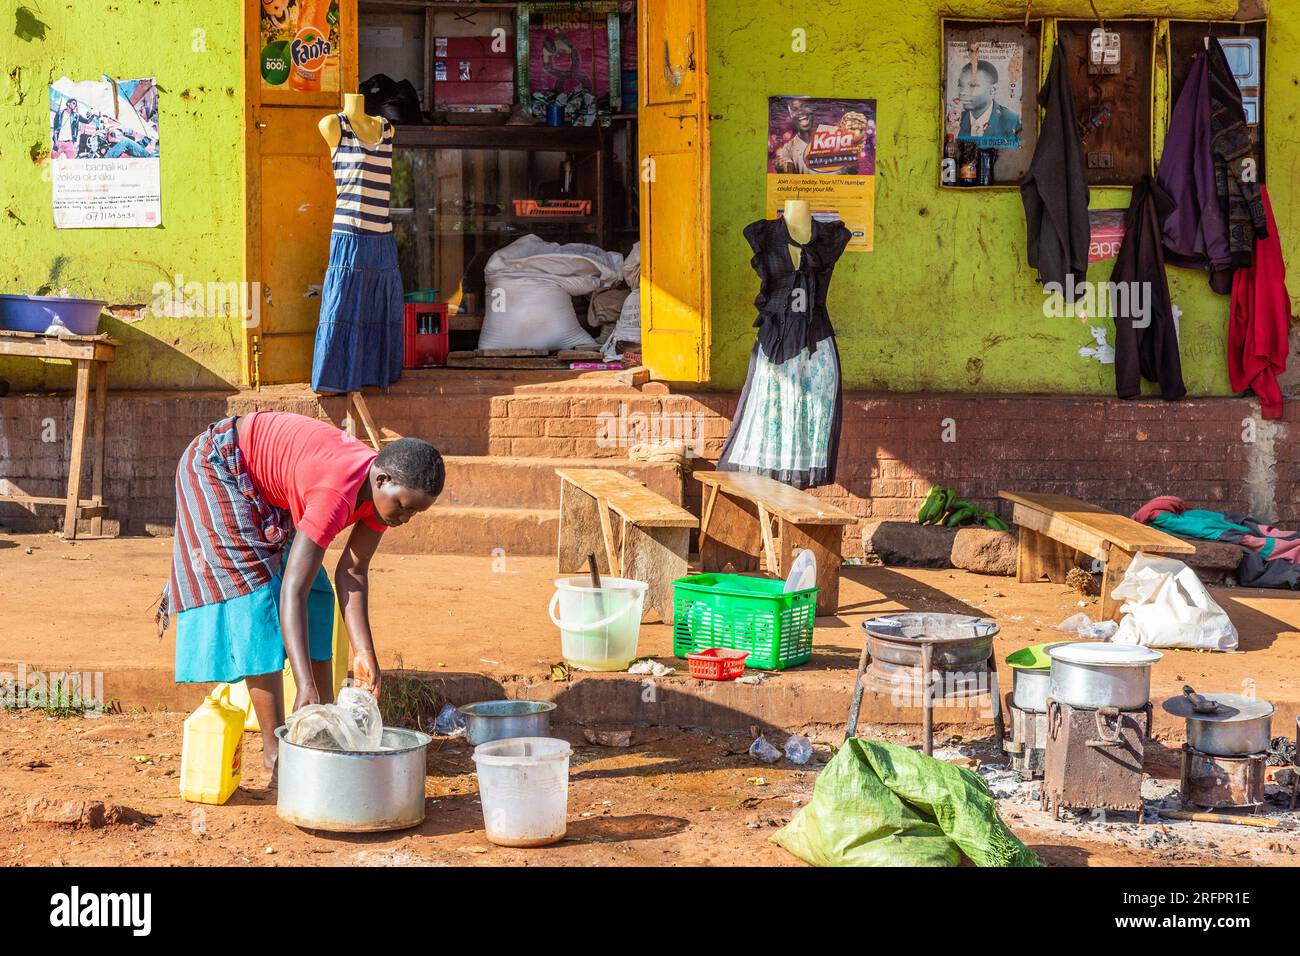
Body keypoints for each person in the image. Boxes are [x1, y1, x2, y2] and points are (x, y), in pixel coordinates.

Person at [158, 411, 444, 780]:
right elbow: (292, 590)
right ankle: (276, 753)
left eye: (415, 513)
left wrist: (363, 652)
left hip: (266, 482)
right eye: (404, 506)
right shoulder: (335, 492)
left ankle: (321, 731)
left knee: (319, 596)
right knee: (255, 600)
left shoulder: (381, 498)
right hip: (220, 465)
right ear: (382, 478)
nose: (405, 518)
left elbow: (352, 572)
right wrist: (303, 681)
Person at [956, 60, 1021, 145]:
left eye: (973, 85)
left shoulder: (1011, 121)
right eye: (960, 85)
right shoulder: (955, 121)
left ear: (992, 89)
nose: (963, 92)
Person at [773, 98, 816, 174]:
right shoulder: (786, 150)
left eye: (804, 106)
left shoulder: (835, 138)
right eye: (794, 109)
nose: (800, 112)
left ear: (813, 108)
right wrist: (781, 170)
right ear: (790, 114)